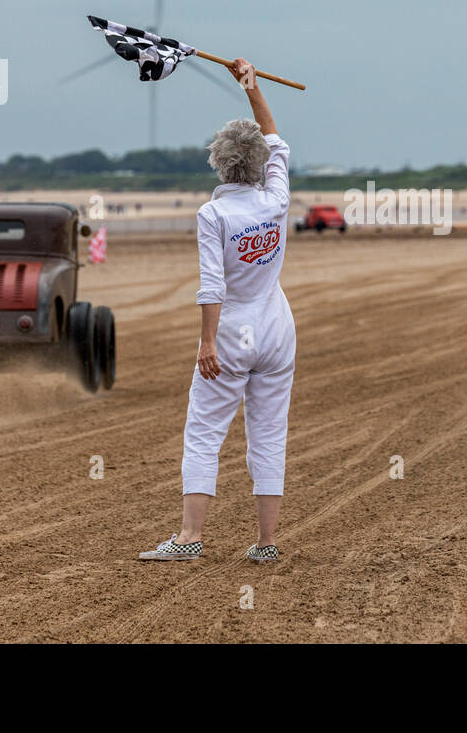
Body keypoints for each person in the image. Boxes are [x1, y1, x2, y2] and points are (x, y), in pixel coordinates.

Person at [139, 59, 295, 564]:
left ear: (219, 163)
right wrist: (249, 85)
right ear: (259, 165)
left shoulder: (214, 213)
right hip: (277, 327)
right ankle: (267, 544)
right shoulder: (276, 199)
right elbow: (274, 139)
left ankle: (189, 537)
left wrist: (207, 342)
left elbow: (212, 284)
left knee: (205, 431)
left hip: (232, 330)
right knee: (269, 433)